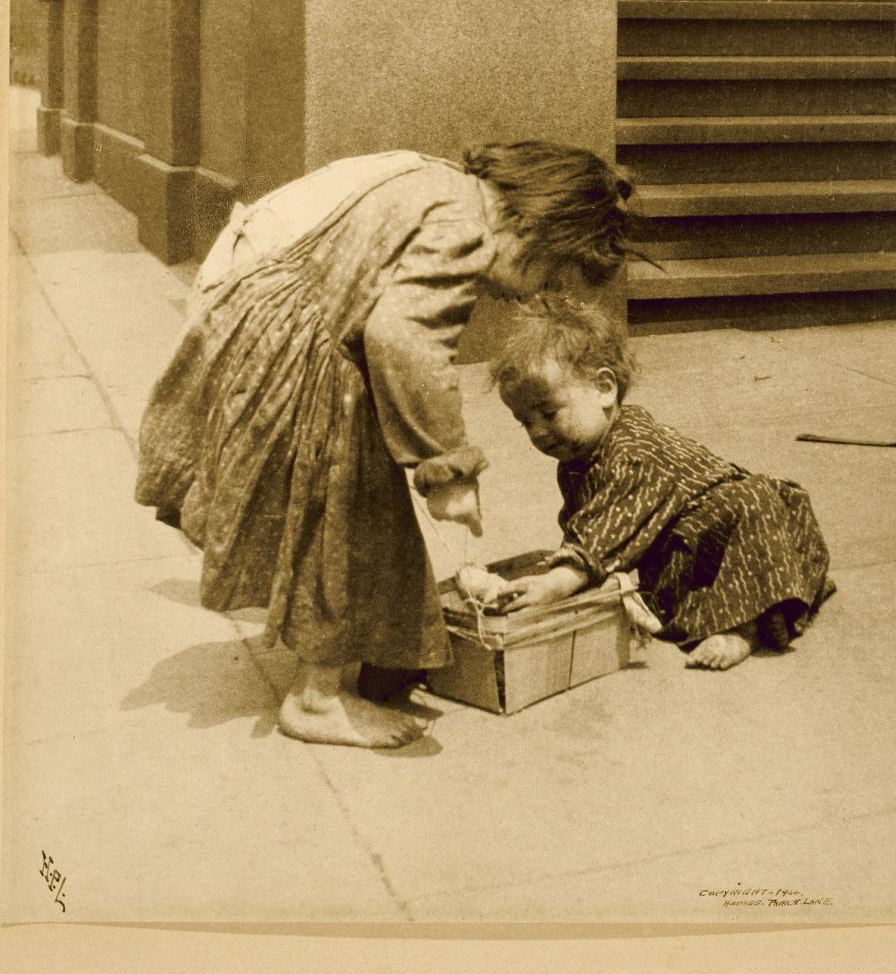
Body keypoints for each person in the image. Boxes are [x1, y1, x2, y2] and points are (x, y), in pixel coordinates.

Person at [136, 142, 641, 746]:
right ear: (533, 224)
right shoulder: (467, 230)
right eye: (550, 274)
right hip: (304, 358)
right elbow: (405, 339)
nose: (533, 296)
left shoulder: (434, 179)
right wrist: (446, 468)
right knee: (353, 523)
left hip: (264, 329)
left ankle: (350, 655)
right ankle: (317, 699)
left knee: (319, 517)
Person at [490, 295, 834, 670]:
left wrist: (558, 582)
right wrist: (572, 565)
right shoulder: (578, 453)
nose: (538, 431)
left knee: (750, 502)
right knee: (656, 579)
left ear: (604, 389)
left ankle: (743, 628)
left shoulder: (632, 451)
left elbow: (610, 524)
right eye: (525, 421)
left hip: (738, 530)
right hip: (682, 540)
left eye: (549, 412)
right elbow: (589, 519)